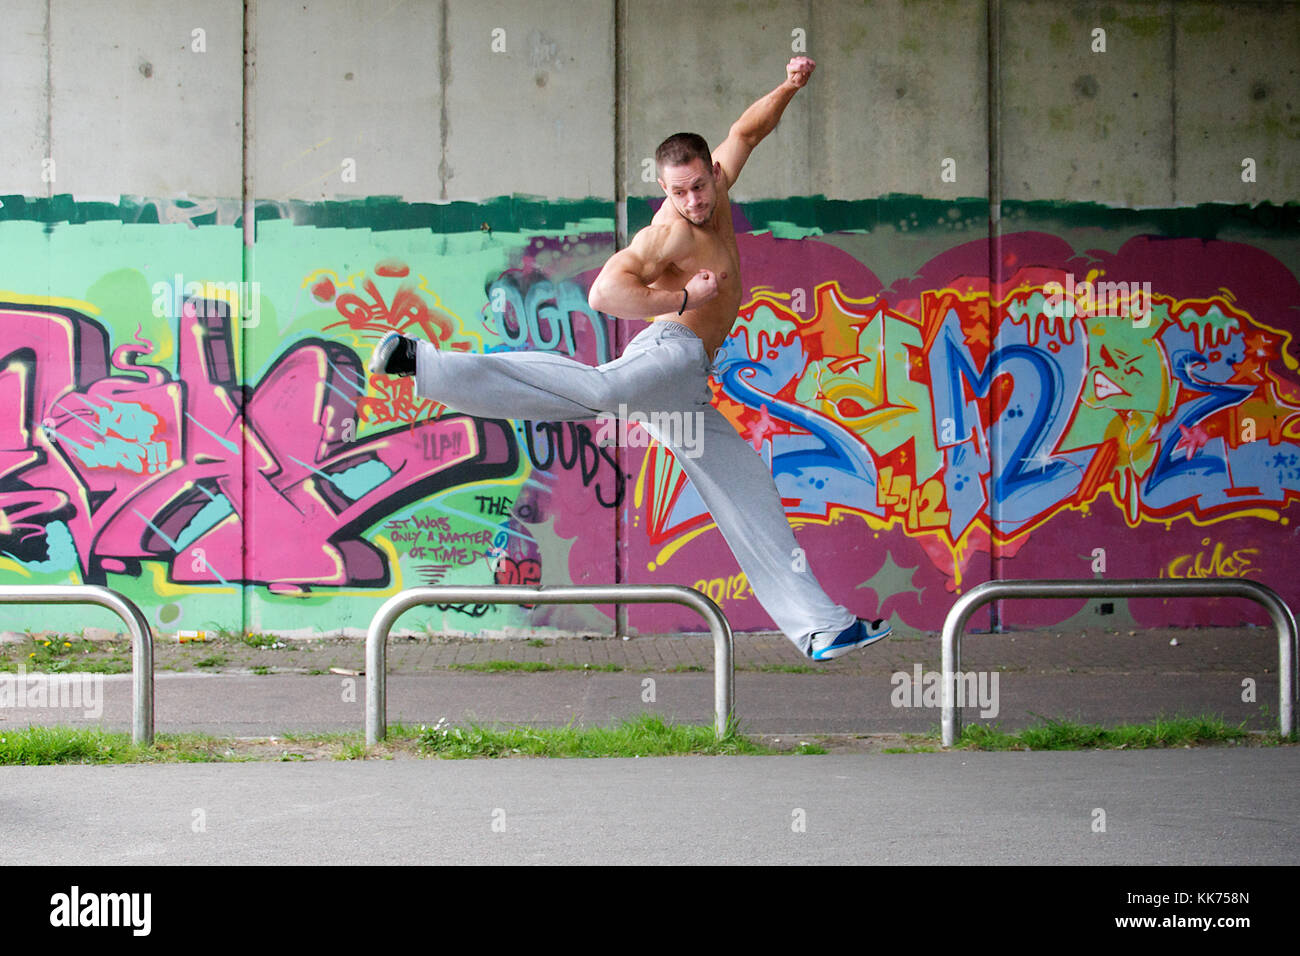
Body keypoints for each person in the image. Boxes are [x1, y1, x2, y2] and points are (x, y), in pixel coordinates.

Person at [370, 56, 889, 660]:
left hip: (687, 388)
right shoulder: (670, 233)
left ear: (713, 174)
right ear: (663, 191)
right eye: (677, 192)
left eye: (699, 186)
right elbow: (604, 293)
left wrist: (789, 86)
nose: (692, 200)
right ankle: (421, 362)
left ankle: (822, 626)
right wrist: (684, 298)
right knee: (599, 391)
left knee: (747, 489)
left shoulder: (718, 187)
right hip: (669, 353)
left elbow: (747, 131)